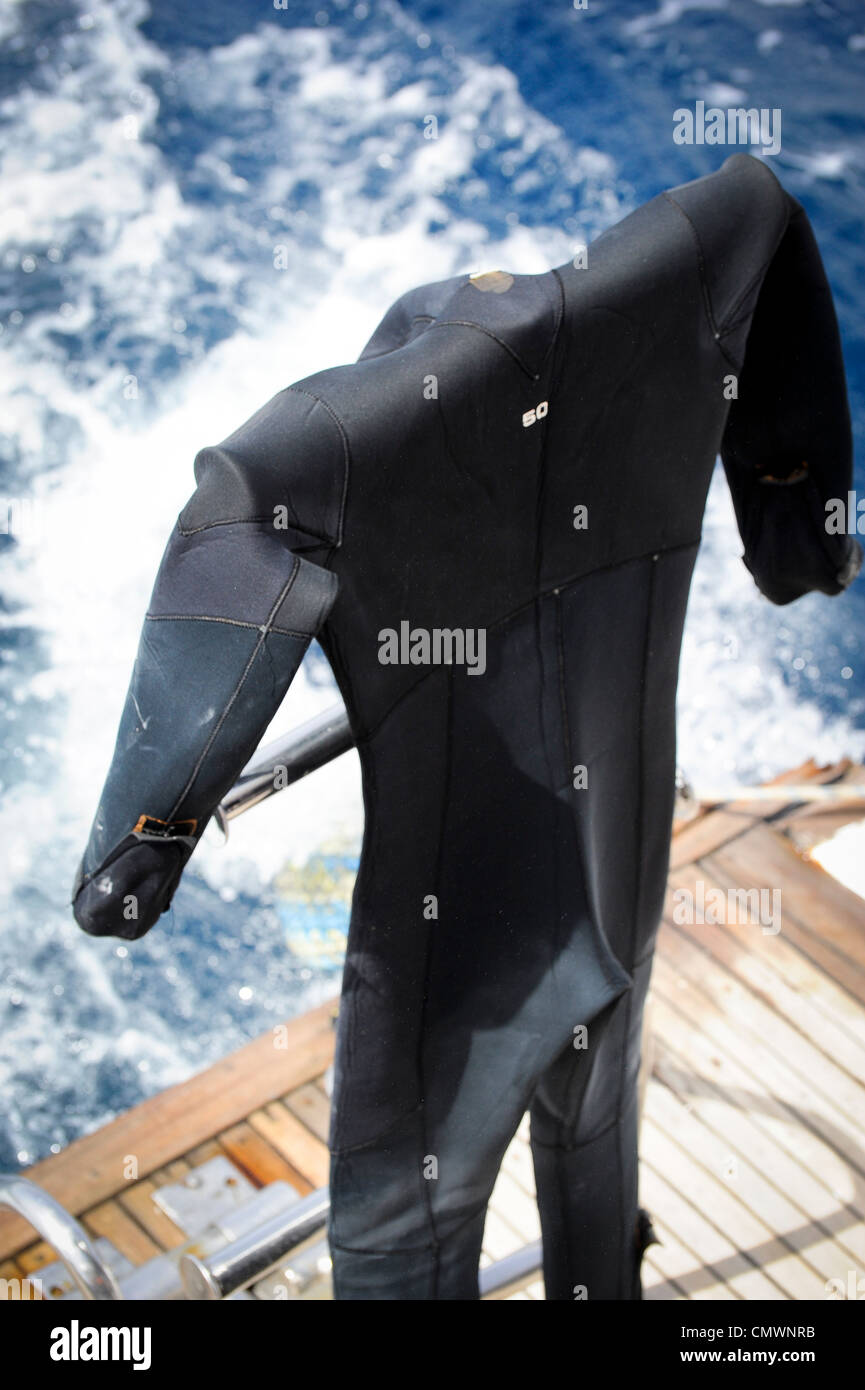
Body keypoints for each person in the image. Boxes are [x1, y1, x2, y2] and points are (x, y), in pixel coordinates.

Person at [72, 152, 862, 1299]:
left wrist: (137, 849)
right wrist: (797, 532)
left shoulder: (331, 437)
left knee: (404, 1232)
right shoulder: (689, 253)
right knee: (599, 1160)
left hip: (452, 965)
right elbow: (769, 218)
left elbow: (233, 524)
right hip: (619, 872)